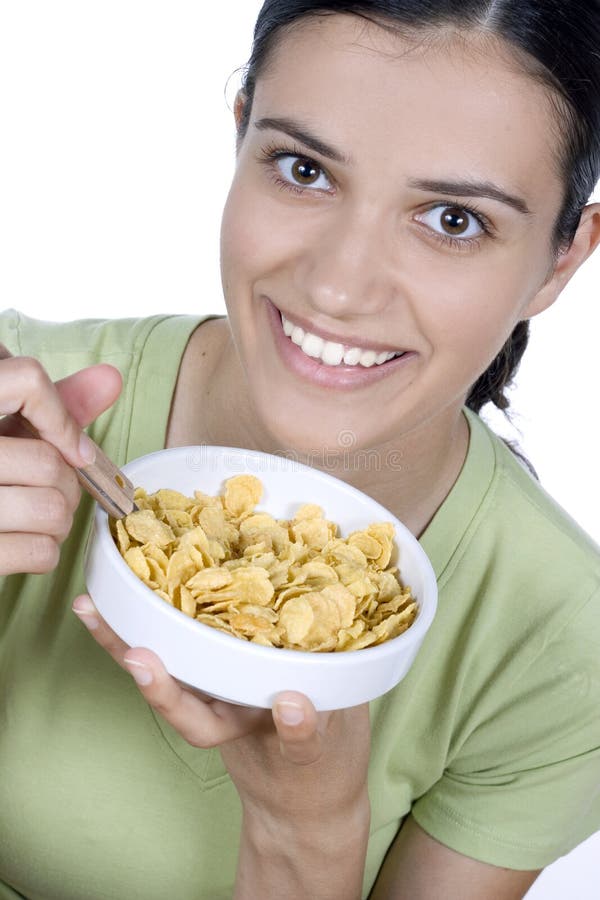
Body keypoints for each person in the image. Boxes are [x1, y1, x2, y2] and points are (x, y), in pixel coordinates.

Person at [1, 1, 599, 897]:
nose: (338, 286)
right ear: (239, 135)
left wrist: (304, 832)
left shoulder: (563, 650)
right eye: (303, 168)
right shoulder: (19, 405)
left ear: (561, 260)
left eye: (453, 221)